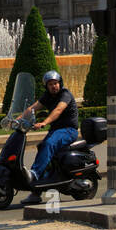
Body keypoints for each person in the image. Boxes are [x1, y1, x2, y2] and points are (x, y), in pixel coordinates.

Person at [16, 71, 79, 206]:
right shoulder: (47, 96)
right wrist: (17, 120)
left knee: (48, 144)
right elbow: (33, 108)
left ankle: (34, 174)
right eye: (50, 84)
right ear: (47, 87)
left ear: (60, 83)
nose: (53, 86)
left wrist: (45, 122)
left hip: (69, 130)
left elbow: (58, 110)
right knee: (42, 148)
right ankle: (36, 192)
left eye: (55, 83)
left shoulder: (65, 94)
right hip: (57, 130)